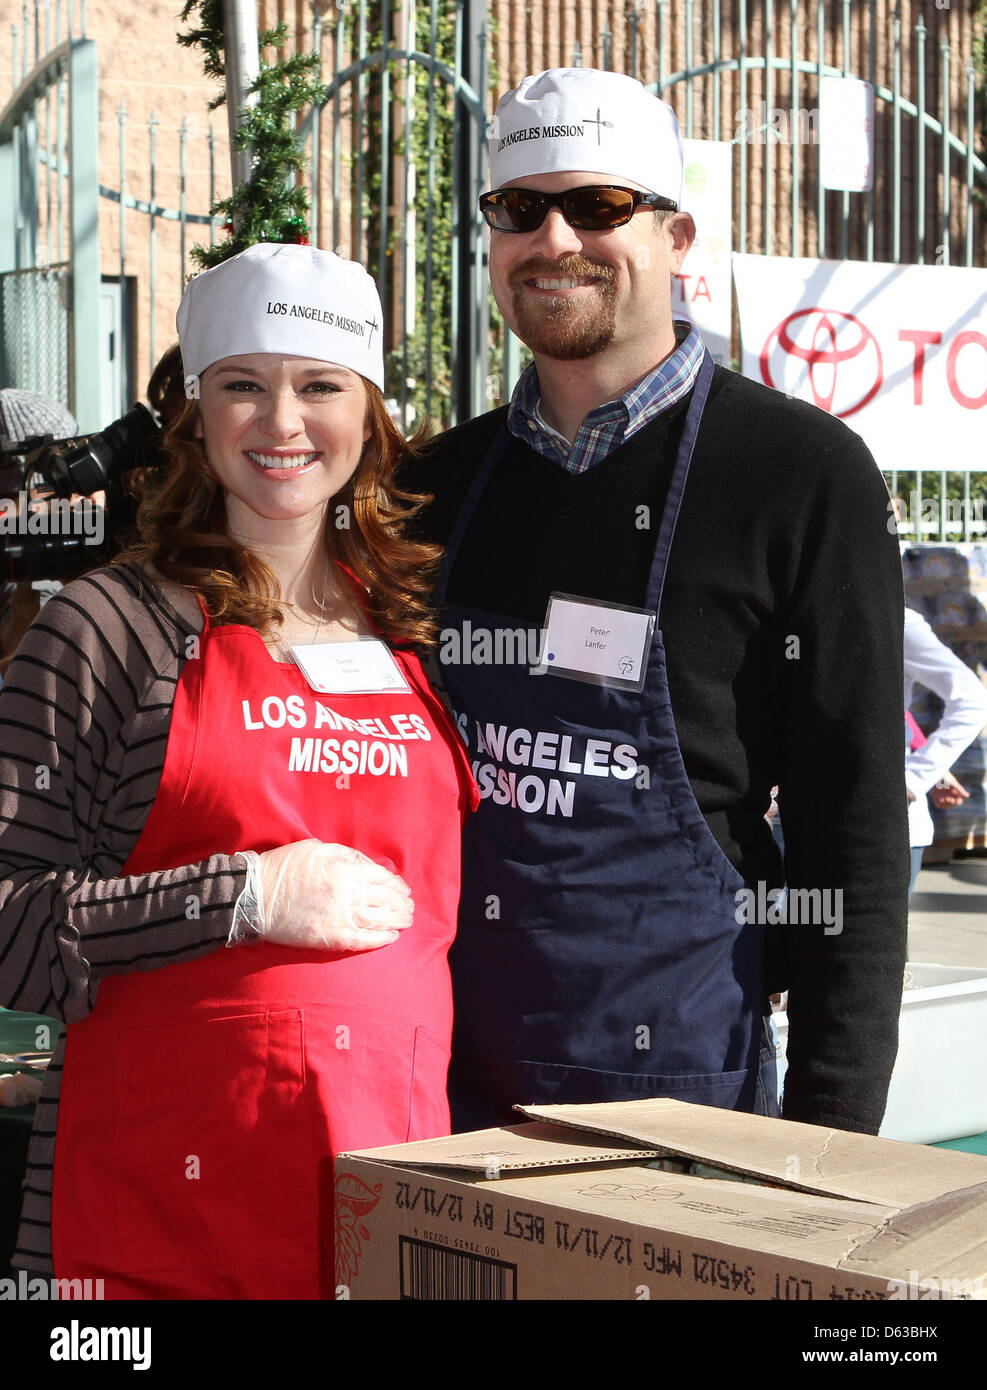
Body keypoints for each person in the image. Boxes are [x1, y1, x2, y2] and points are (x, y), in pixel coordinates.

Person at [407, 68, 909, 1135]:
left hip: (691, 1109)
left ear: (678, 239)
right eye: (518, 209)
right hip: (443, 1095)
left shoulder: (800, 474)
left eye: (597, 206)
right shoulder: (429, 489)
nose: (554, 239)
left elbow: (851, 833)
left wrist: (827, 1148)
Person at [0, 242, 477, 1299]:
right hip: (157, 1229)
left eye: (319, 385)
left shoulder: (411, 637)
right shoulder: (106, 627)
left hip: (382, 1206)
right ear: (195, 417)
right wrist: (242, 897)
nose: (282, 422)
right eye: (242, 387)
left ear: (371, 415)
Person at [904, 604, 987, 895]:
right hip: (792, 817)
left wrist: (918, 776)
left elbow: (972, 701)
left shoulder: (897, 620)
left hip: (884, 824)